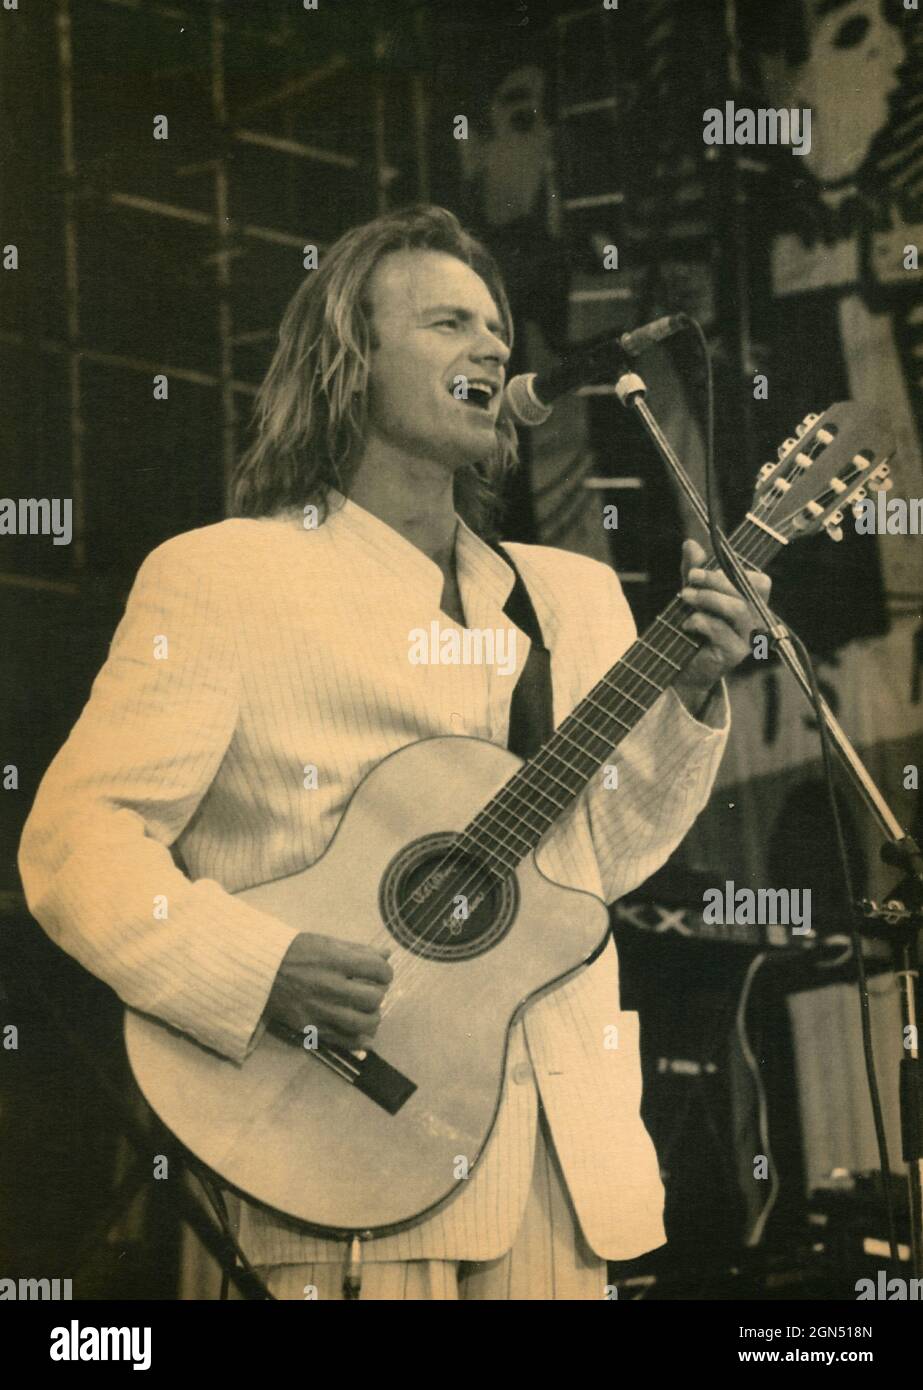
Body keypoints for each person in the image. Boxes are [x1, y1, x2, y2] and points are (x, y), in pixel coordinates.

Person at [18, 203, 770, 1300]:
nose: (493, 346)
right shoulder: (224, 577)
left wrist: (695, 689)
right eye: (446, 323)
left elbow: (599, 865)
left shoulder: (569, 595)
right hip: (331, 1152)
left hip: (561, 1157)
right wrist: (257, 968)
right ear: (347, 361)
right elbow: (75, 841)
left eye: (497, 328)